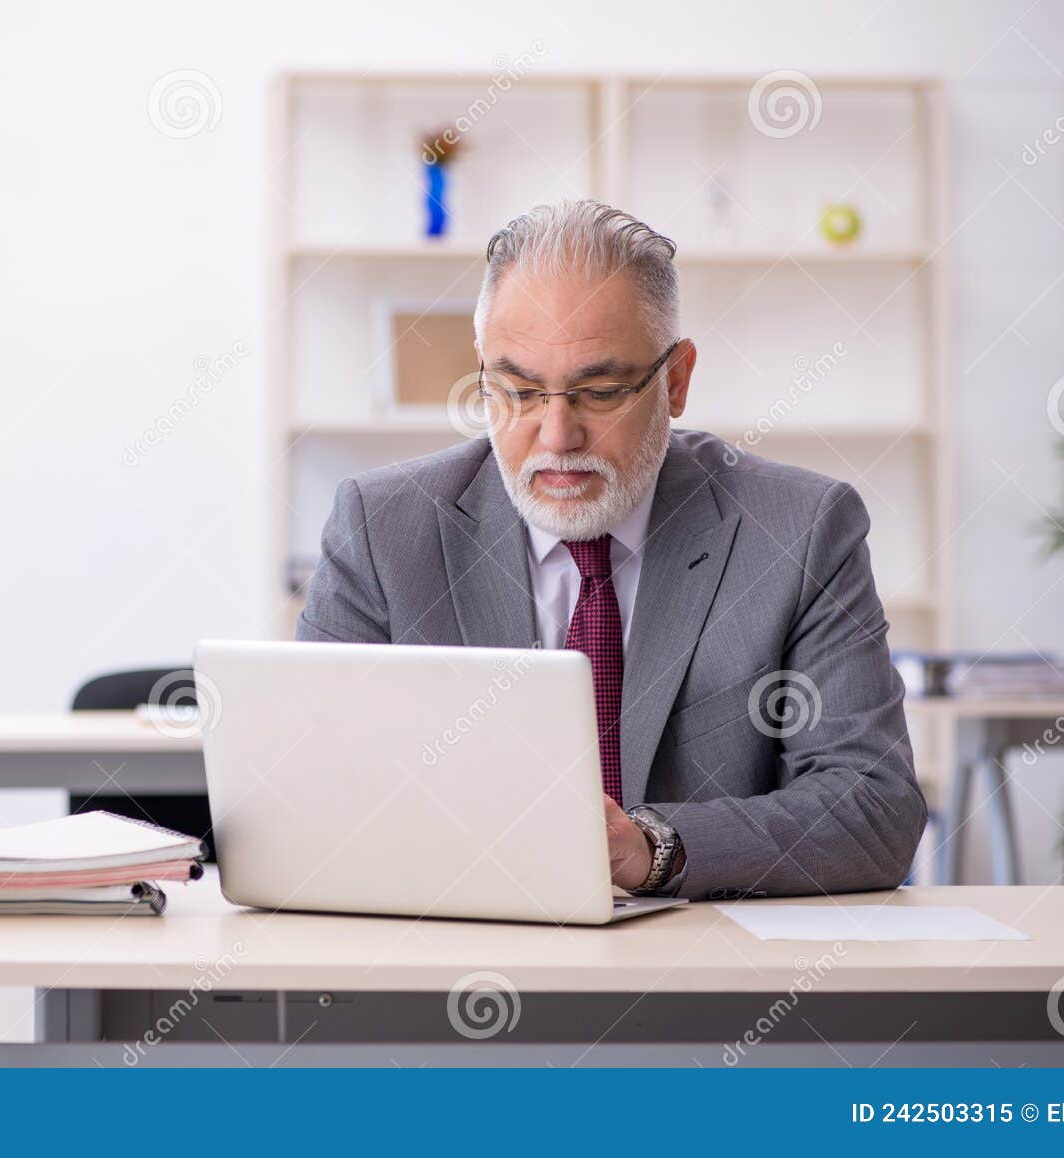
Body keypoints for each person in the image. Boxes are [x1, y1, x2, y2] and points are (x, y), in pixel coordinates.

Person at [297, 199, 926, 900]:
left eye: (599, 392)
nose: (557, 434)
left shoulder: (800, 531)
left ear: (676, 382)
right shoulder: (384, 531)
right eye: (518, 391)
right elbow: (308, 797)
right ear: (480, 374)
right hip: (454, 953)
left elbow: (873, 809)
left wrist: (655, 849)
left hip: (705, 977)